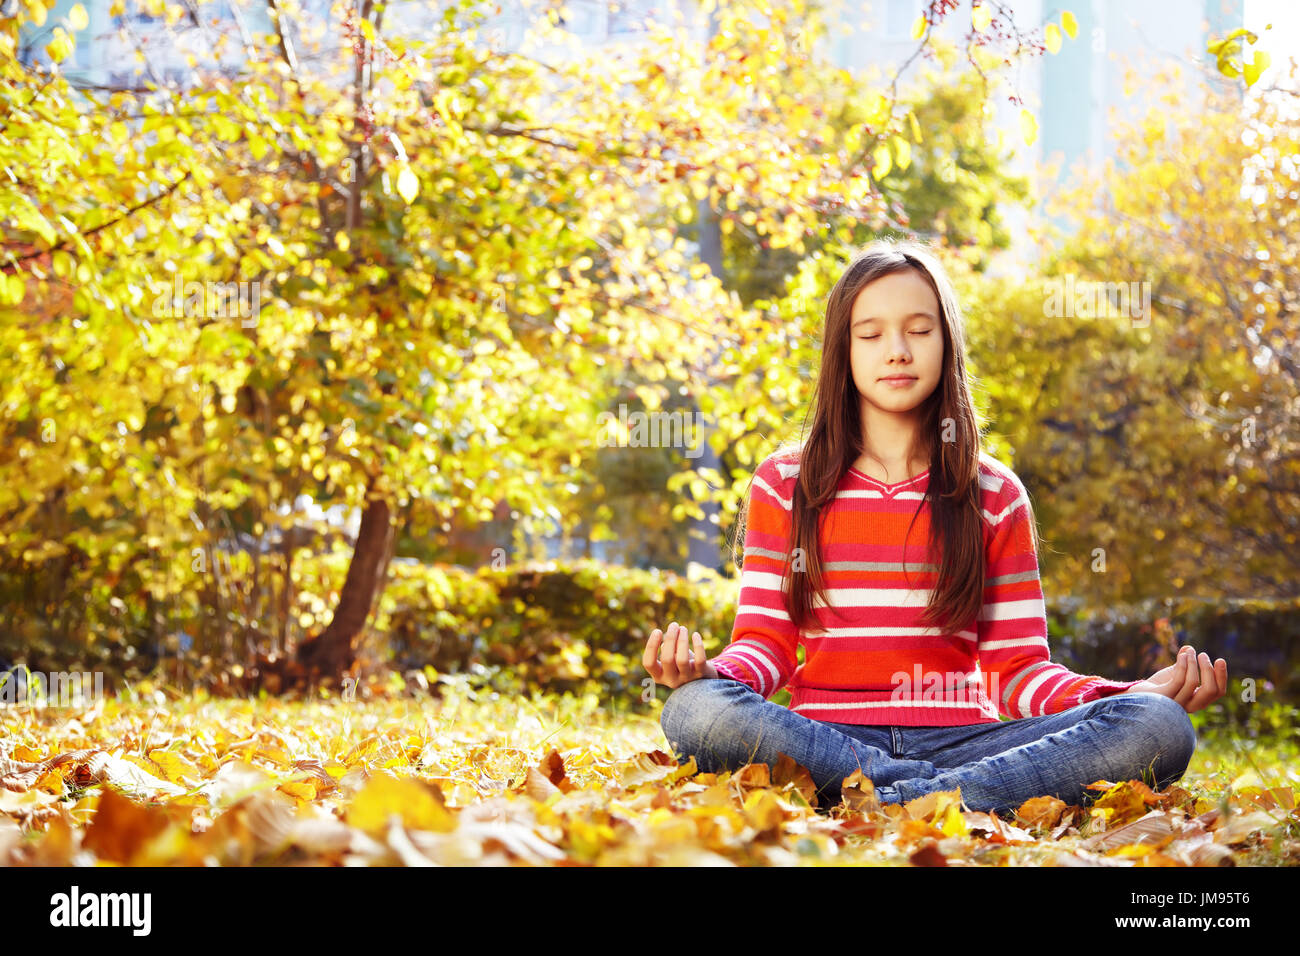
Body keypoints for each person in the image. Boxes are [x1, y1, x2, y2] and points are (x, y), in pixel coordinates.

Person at [642, 238, 1228, 816]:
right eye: (870, 334)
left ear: (946, 343)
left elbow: (1018, 672)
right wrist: (709, 673)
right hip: (824, 740)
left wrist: (1125, 696)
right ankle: (940, 797)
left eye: (919, 331)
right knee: (695, 710)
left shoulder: (995, 495)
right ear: (841, 351)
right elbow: (766, 647)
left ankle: (893, 797)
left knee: (1160, 725)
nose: (896, 351)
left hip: (969, 743)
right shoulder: (783, 483)